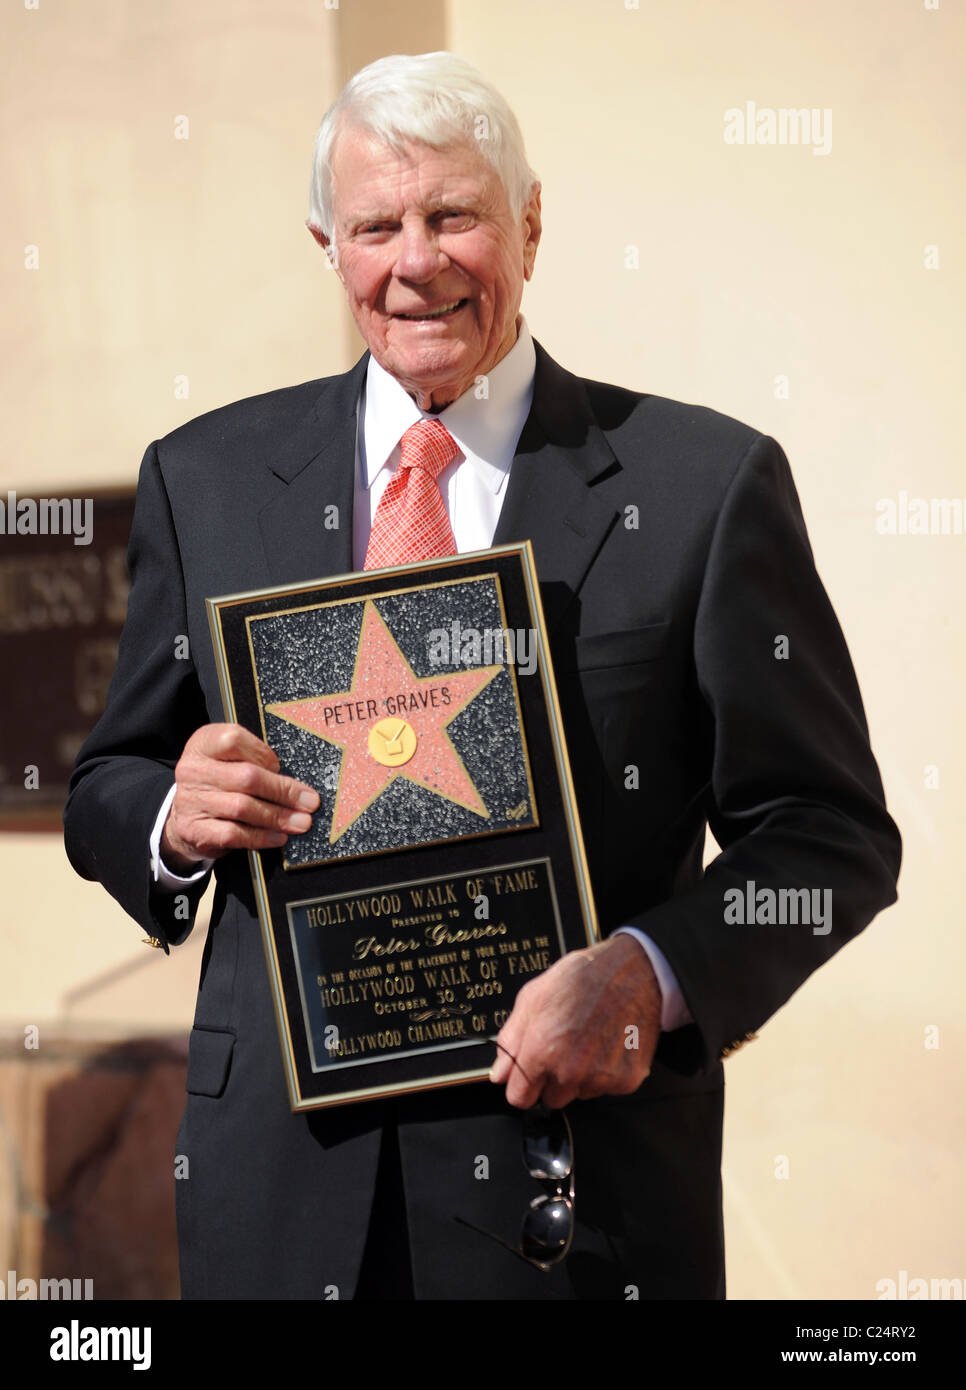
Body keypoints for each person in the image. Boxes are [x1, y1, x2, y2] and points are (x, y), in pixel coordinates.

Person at [63, 51, 901, 1300]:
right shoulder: (207, 475)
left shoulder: (701, 488)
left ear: (530, 222)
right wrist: (171, 823)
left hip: (576, 1207)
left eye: (454, 215)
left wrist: (649, 973)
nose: (418, 262)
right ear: (326, 245)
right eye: (375, 226)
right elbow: (107, 784)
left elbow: (829, 838)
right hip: (279, 1204)